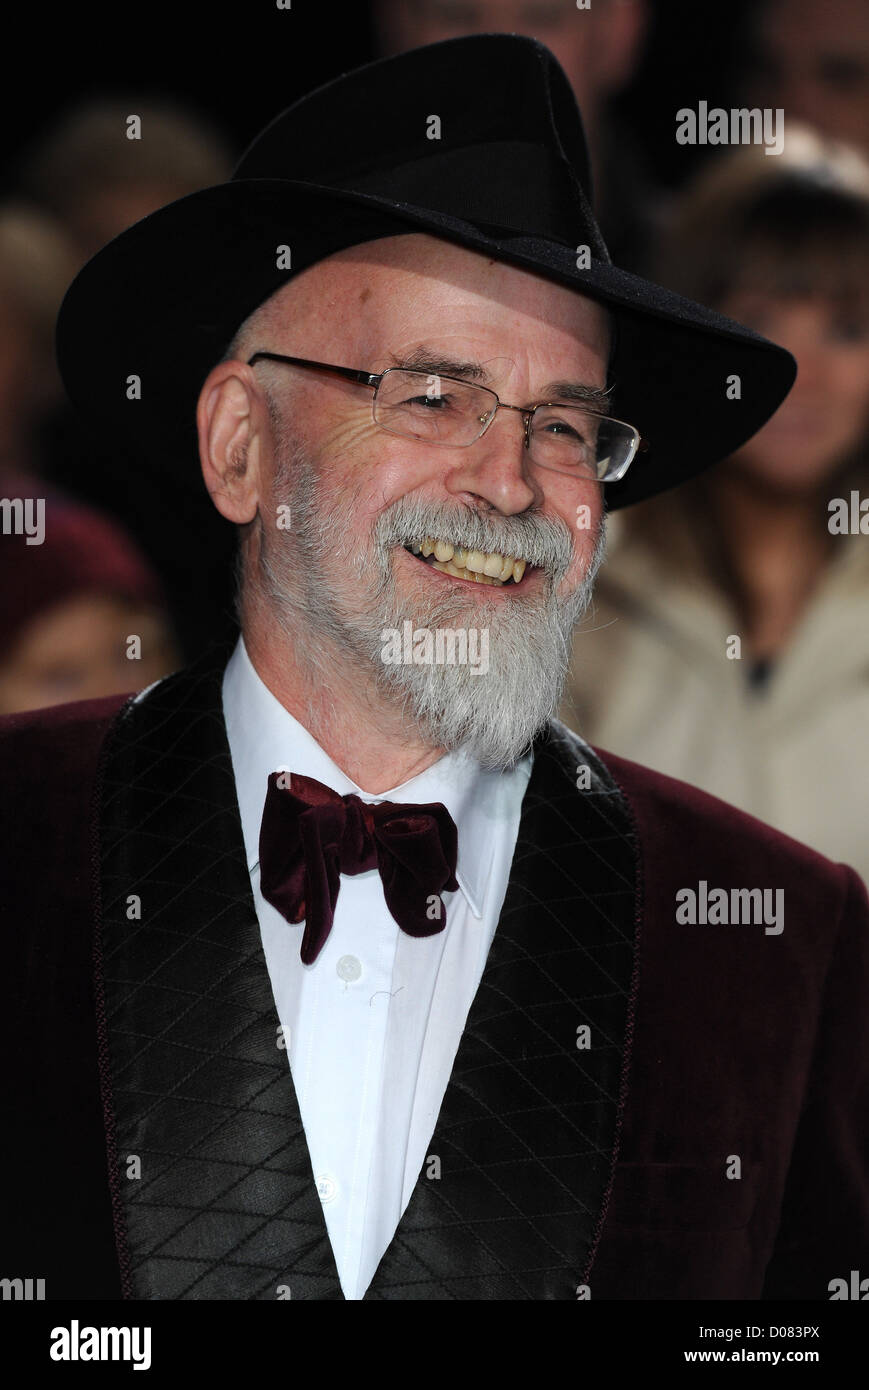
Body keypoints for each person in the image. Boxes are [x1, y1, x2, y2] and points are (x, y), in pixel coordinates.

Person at [1, 35, 866, 1302]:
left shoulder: (780, 943)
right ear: (238, 445)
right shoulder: (21, 830)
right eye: (427, 395)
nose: (506, 481)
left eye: (562, 425)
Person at [560, 126, 869, 887]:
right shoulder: (579, 576)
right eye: (761, 318)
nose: (801, 371)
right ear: (693, 333)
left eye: (847, 328)